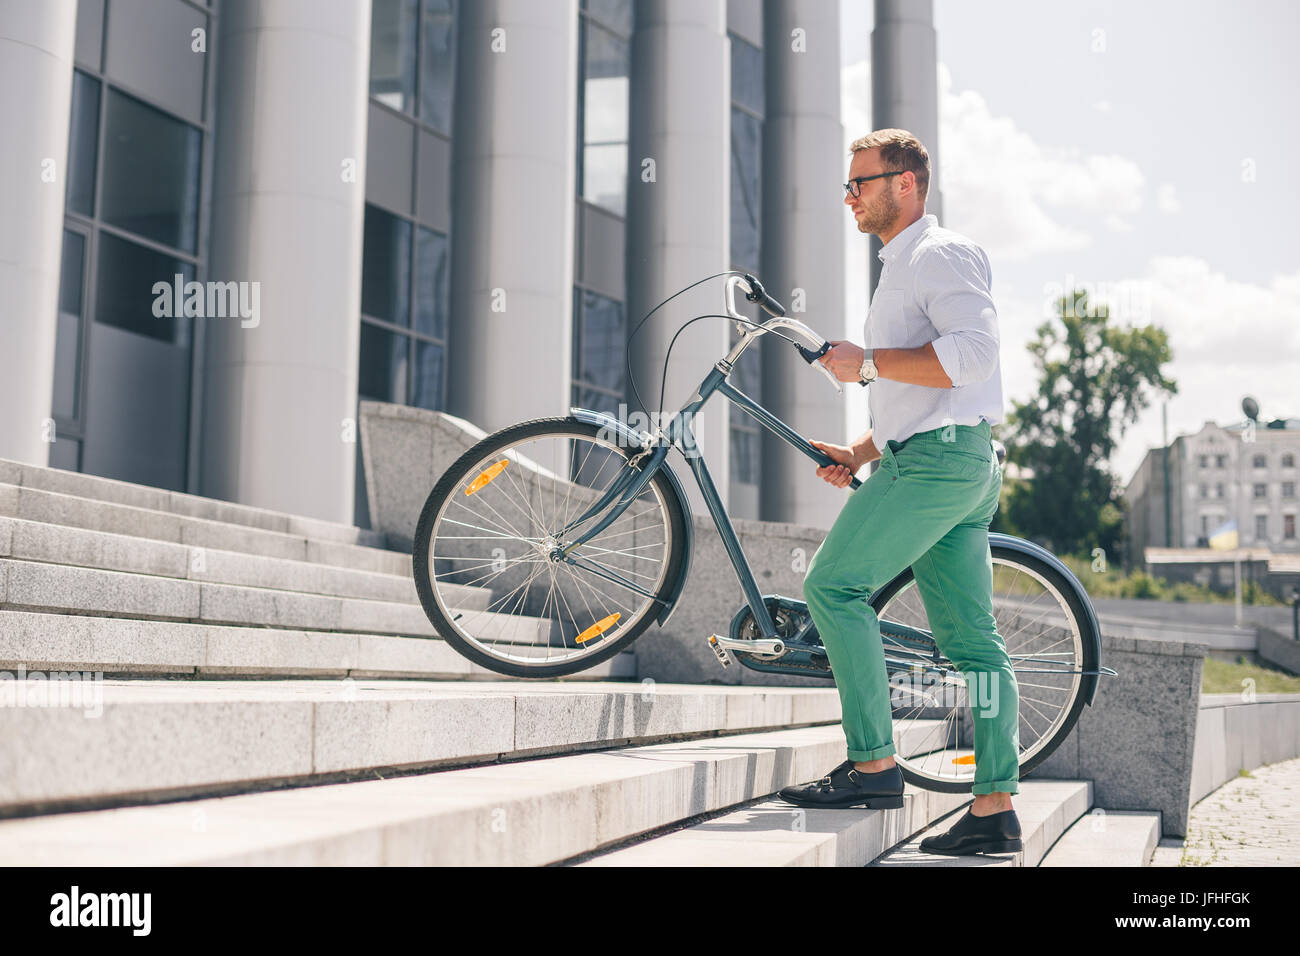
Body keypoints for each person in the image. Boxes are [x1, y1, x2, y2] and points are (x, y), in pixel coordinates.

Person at [776, 129, 1022, 856]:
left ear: (906, 183)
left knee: (833, 589)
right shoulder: (902, 265)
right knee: (975, 644)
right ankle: (994, 812)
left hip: (940, 466)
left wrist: (869, 363)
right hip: (950, 458)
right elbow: (926, 391)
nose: (848, 195)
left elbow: (973, 357)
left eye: (861, 181)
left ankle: (875, 766)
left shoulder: (937, 253)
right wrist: (859, 450)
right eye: (847, 184)